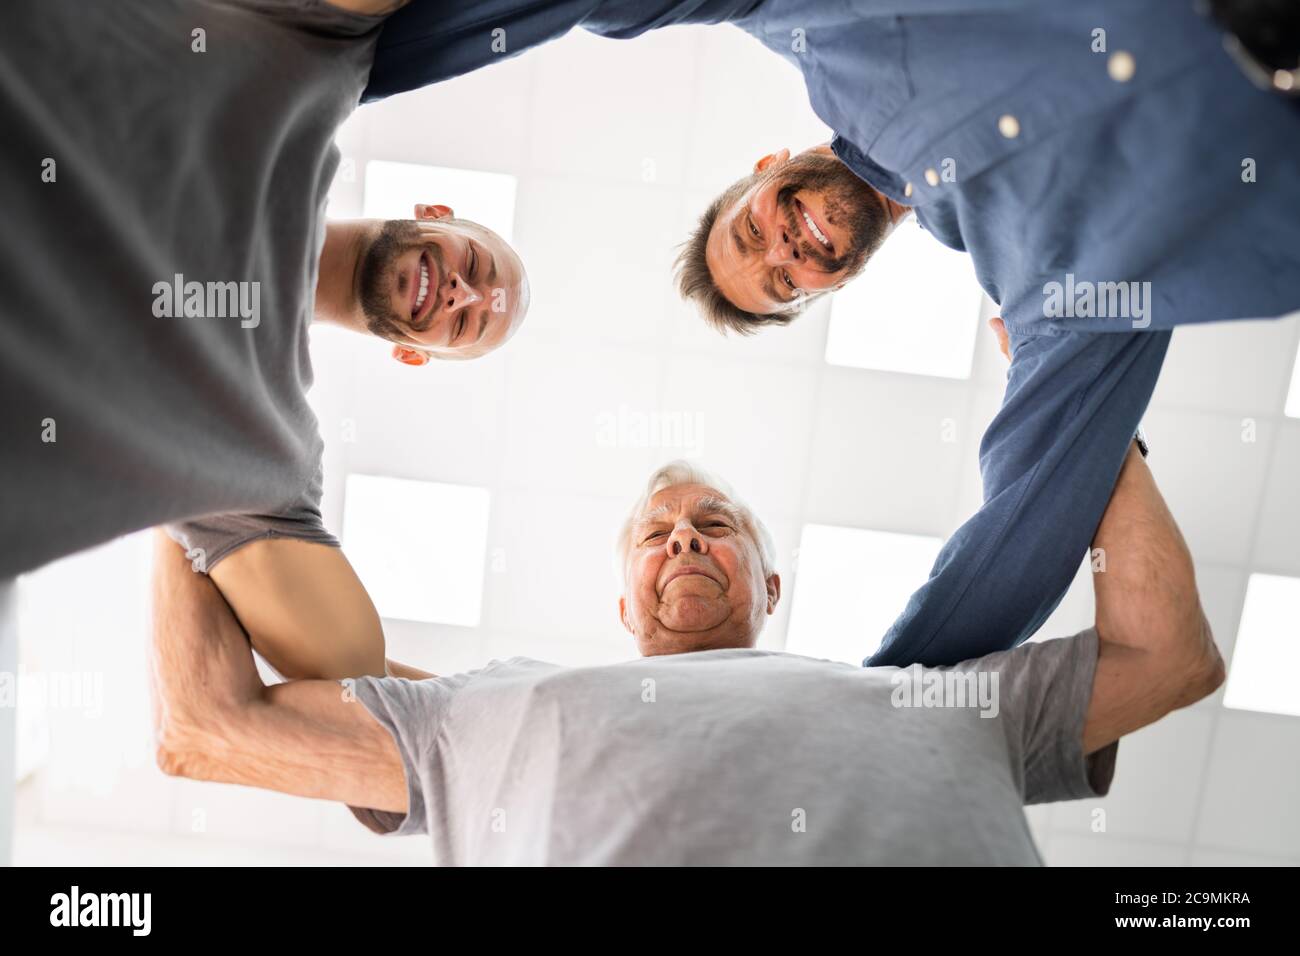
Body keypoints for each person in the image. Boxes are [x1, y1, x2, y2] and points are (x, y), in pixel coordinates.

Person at [358, 0, 1300, 667]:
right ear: (826, 289)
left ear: (769, 165)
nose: (786, 246)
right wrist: (857, 709)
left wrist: (334, 59)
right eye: (783, 281)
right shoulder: (1052, 305)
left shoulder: (817, 26)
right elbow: (1020, 539)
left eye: (754, 227)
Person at [149, 434, 1223, 864]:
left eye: (714, 524)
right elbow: (208, 726)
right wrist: (171, 475)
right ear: (623, 603)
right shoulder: (482, 707)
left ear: (768, 583)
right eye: (655, 534)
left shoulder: (929, 697)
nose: (682, 539)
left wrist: (1094, 433)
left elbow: (1168, 655)